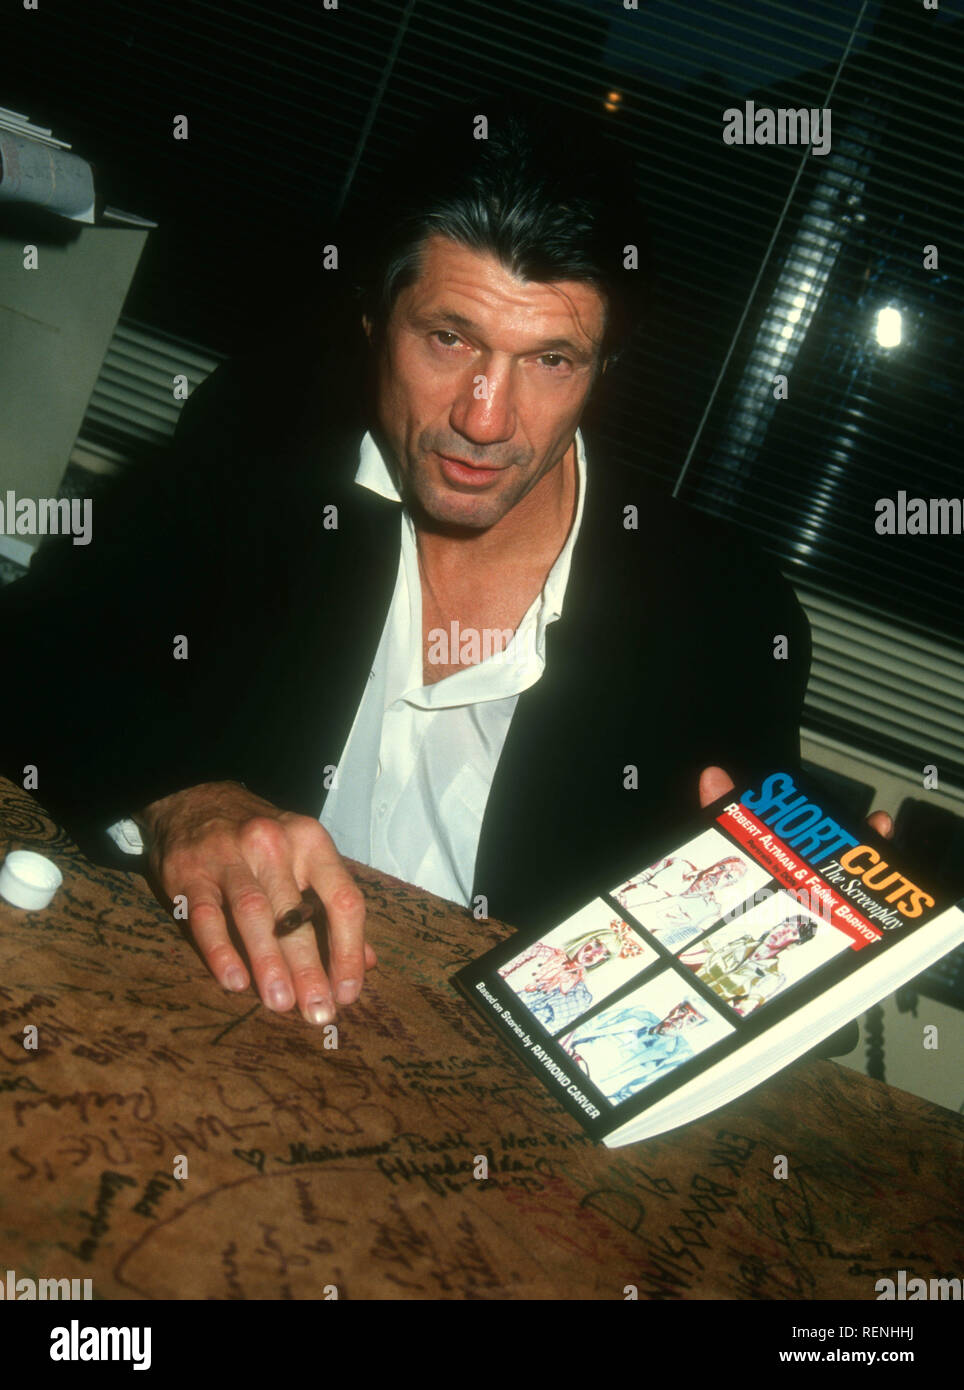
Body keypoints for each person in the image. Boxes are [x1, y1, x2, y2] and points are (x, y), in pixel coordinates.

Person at [0, 99, 891, 1032]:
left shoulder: (727, 617)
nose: (485, 417)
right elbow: (36, 653)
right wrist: (179, 793)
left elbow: (720, 963)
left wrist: (804, 929)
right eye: (449, 338)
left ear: (602, 370)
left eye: (550, 359)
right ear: (372, 320)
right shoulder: (258, 458)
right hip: (228, 1031)